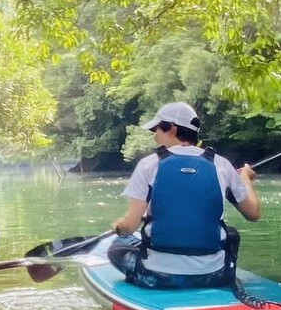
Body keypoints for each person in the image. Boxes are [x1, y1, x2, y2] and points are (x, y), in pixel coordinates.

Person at [108, 101, 260, 289]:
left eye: (156, 129)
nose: (154, 136)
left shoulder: (148, 164)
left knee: (117, 246)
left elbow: (129, 227)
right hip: (212, 275)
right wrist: (245, 177)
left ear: (172, 128)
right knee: (231, 233)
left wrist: (118, 226)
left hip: (156, 275)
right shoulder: (221, 164)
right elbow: (253, 213)